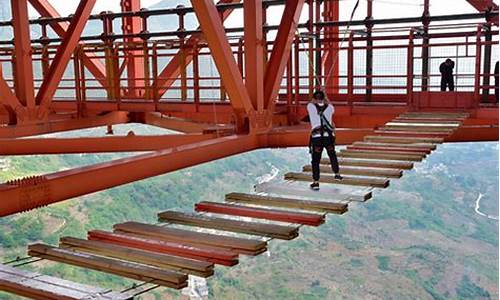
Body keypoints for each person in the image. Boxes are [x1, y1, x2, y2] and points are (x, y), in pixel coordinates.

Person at [307, 90, 342, 191]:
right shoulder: (330, 108)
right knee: (332, 154)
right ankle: (337, 174)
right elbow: (328, 104)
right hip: (328, 137)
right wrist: (326, 97)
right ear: (323, 98)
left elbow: (312, 102)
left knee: (316, 160)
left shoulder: (310, 106)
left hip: (317, 137)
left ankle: (316, 182)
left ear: (314, 98)